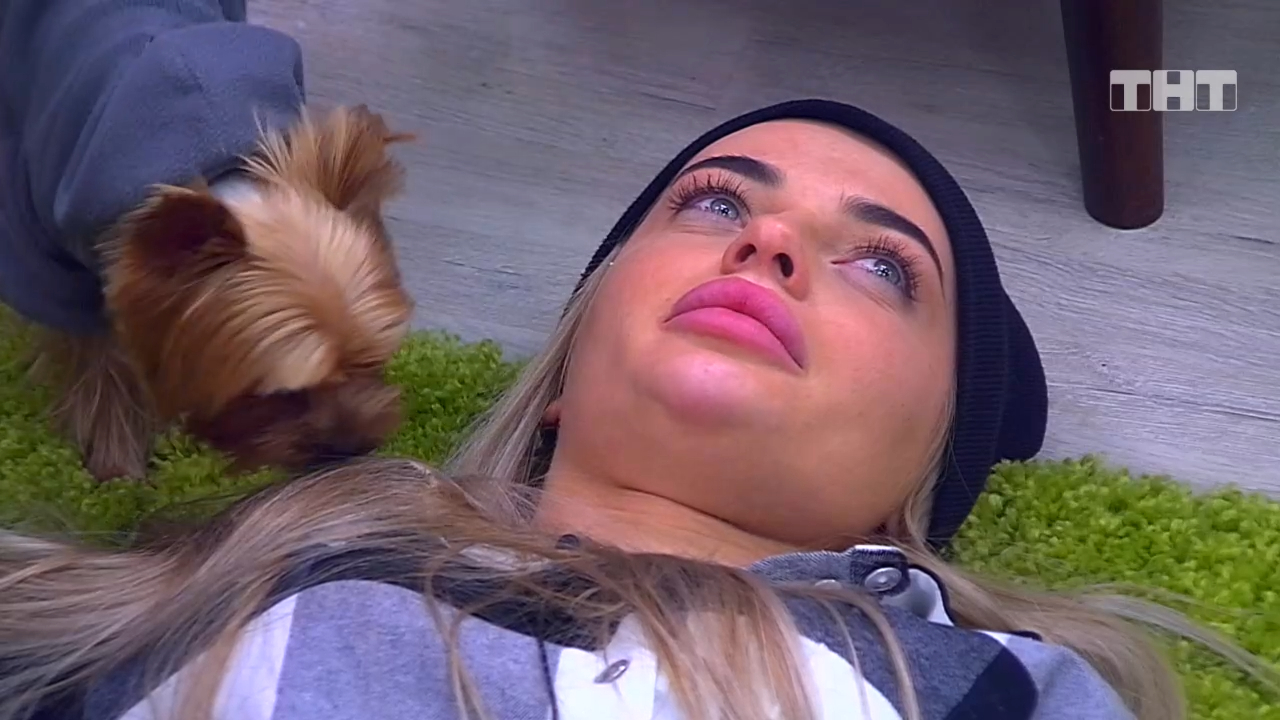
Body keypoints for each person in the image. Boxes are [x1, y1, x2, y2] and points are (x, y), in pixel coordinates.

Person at [0, 100, 1268, 720]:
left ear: (910, 494)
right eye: (715, 202)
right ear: (562, 378)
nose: (768, 240)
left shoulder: (1003, 692)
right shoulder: (272, 565)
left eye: (883, 266)